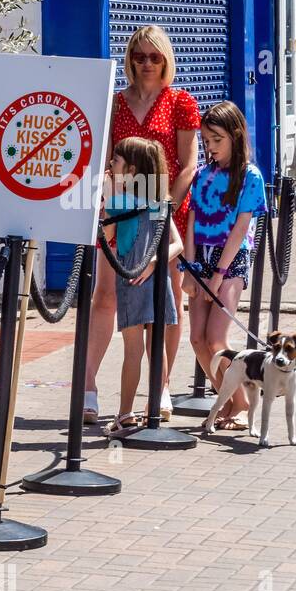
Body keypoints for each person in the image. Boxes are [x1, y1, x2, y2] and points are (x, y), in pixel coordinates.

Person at [83, 26, 200, 424]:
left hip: (163, 211)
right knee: (104, 296)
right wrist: (108, 205)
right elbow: (105, 160)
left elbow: (188, 165)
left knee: (167, 304)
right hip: (119, 213)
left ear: (166, 59)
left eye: (155, 56)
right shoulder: (115, 103)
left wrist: (164, 209)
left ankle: (160, 386)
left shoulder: (181, 102)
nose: (147, 63)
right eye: (139, 56)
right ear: (130, 59)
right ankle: (88, 388)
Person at [183, 101, 268, 431]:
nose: (210, 147)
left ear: (235, 135)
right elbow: (191, 221)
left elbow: (241, 229)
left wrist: (218, 275)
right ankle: (230, 400)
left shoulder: (250, 176)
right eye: (206, 141)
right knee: (197, 339)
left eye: (217, 139)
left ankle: (241, 403)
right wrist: (190, 269)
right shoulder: (203, 175)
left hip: (230, 260)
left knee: (216, 339)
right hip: (201, 257)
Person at [102, 138, 182, 436]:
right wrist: (154, 263)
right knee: (156, 347)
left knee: (133, 351)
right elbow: (177, 244)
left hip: (131, 279)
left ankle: (125, 413)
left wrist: (108, 196)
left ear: (131, 170)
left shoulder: (118, 203)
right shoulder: (159, 202)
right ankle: (156, 406)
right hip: (158, 279)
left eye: (116, 162)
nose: (110, 165)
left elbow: (107, 236)